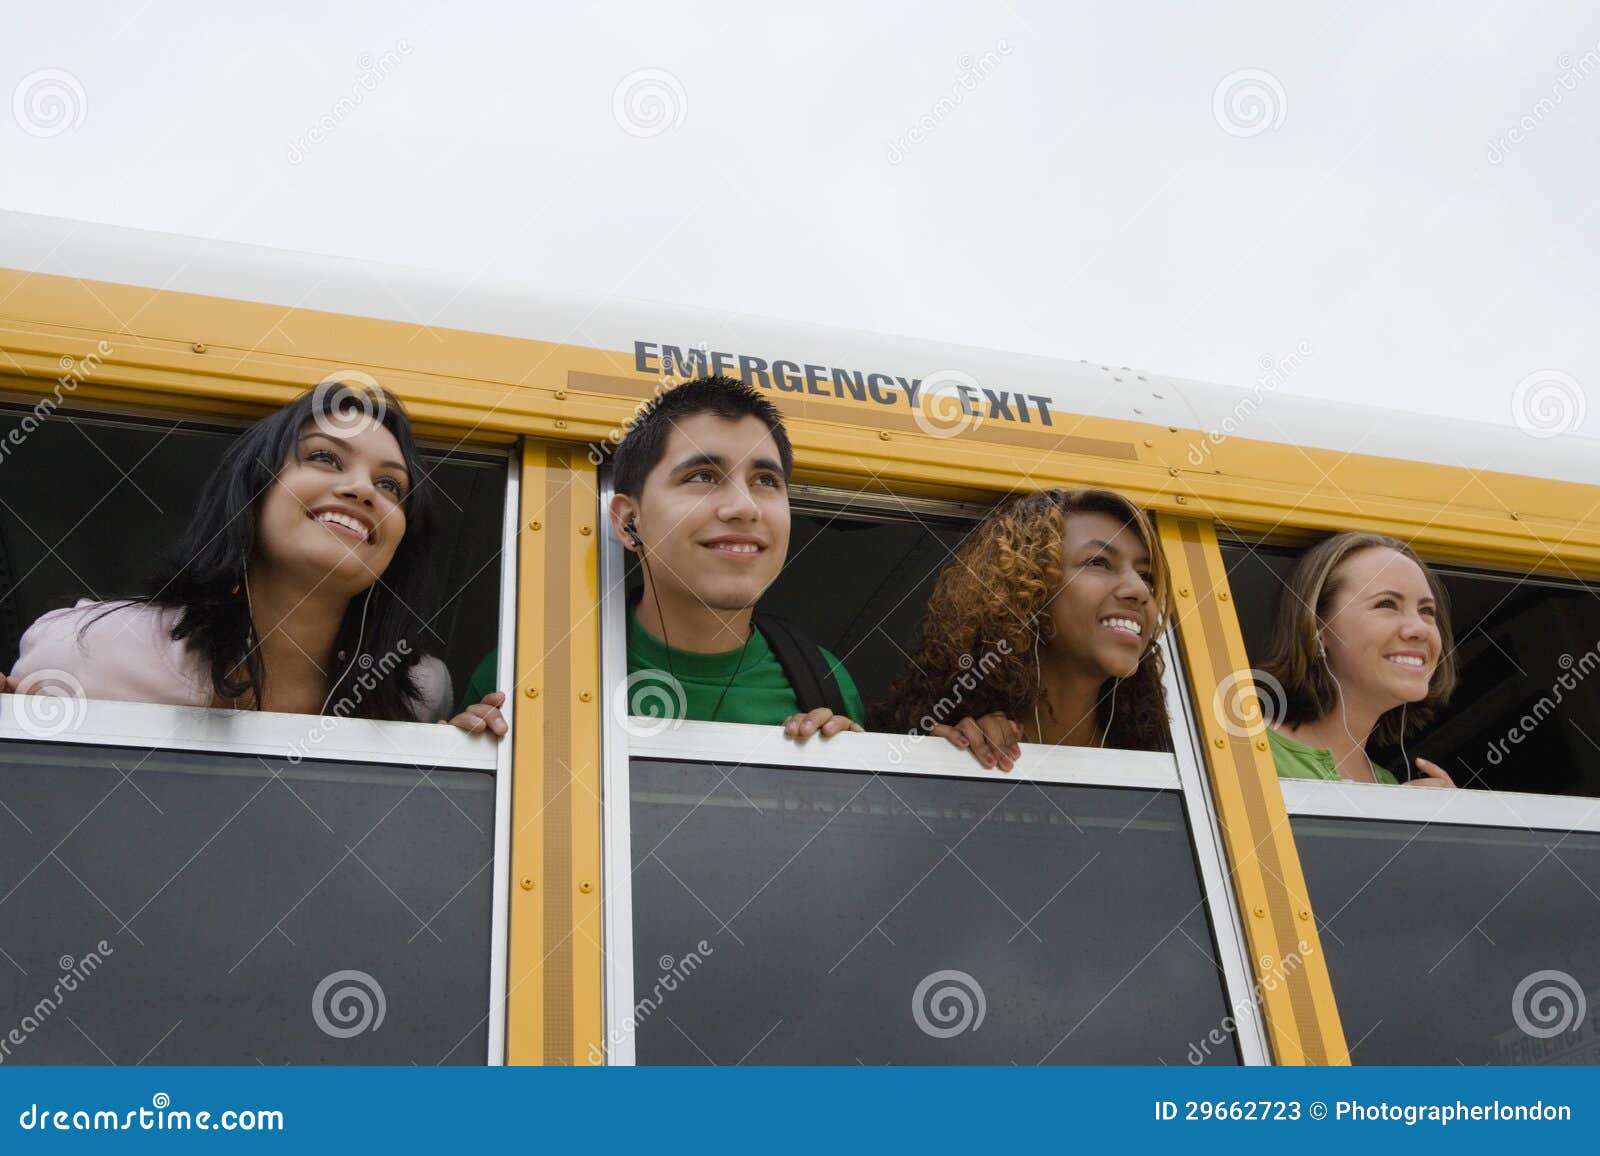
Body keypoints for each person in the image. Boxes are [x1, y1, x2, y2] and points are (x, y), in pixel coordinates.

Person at [2, 384, 507, 735]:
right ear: (255, 491)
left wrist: (465, 764)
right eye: (325, 458)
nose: (361, 489)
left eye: (391, 485)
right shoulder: (85, 647)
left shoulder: (420, 692)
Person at [603, 374, 867, 736]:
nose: (744, 507)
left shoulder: (825, 683)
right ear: (629, 521)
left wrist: (841, 763)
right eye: (702, 477)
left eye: (765, 481)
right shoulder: (547, 667)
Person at [877, 488, 1174, 768]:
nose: (1140, 590)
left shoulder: (1173, 759)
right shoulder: (964, 743)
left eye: (1146, 576)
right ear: (1027, 588)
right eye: (1099, 562)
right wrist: (949, 757)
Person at [1257, 531, 1457, 786]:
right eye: (1386, 604)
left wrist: (1451, 810)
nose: (1419, 628)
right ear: (1316, 627)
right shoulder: (1248, 750)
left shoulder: (1388, 784)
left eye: (1426, 610)